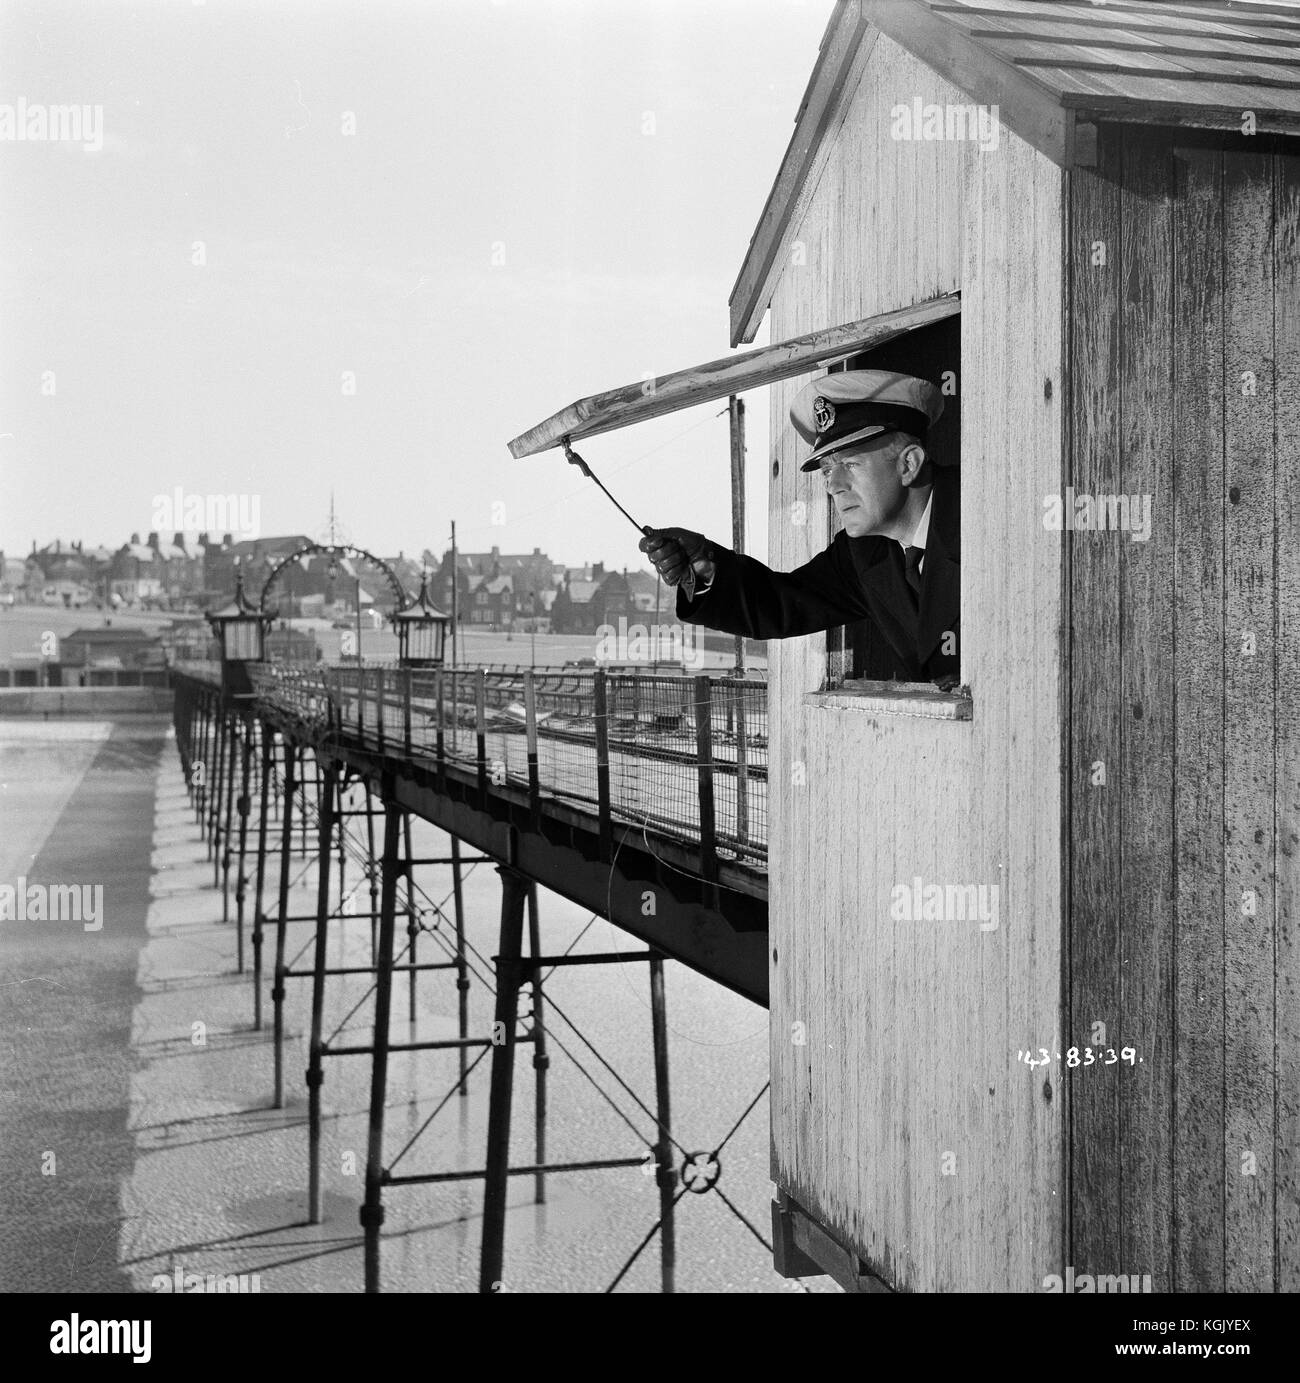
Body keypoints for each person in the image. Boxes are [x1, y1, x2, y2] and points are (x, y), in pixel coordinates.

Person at [639, 369, 959, 683]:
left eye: (849, 464)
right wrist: (704, 567)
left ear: (909, 464)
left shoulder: (986, 517)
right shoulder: (864, 553)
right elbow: (782, 604)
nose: (833, 485)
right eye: (826, 470)